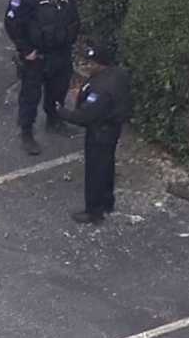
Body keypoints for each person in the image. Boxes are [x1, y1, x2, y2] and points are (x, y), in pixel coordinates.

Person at [3, 0, 81, 155]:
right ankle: (27, 132)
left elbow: (71, 13)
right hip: (37, 56)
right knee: (30, 96)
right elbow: (12, 22)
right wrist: (25, 50)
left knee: (58, 89)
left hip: (61, 52)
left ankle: (54, 120)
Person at [56, 42, 132, 224]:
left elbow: (86, 116)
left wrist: (63, 112)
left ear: (101, 64)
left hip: (100, 133)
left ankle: (94, 211)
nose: (87, 66)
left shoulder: (101, 89)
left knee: (95, 171)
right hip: (111, 130)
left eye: (91, 63)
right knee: (106, 167)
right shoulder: (117, 74)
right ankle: (107, 203)